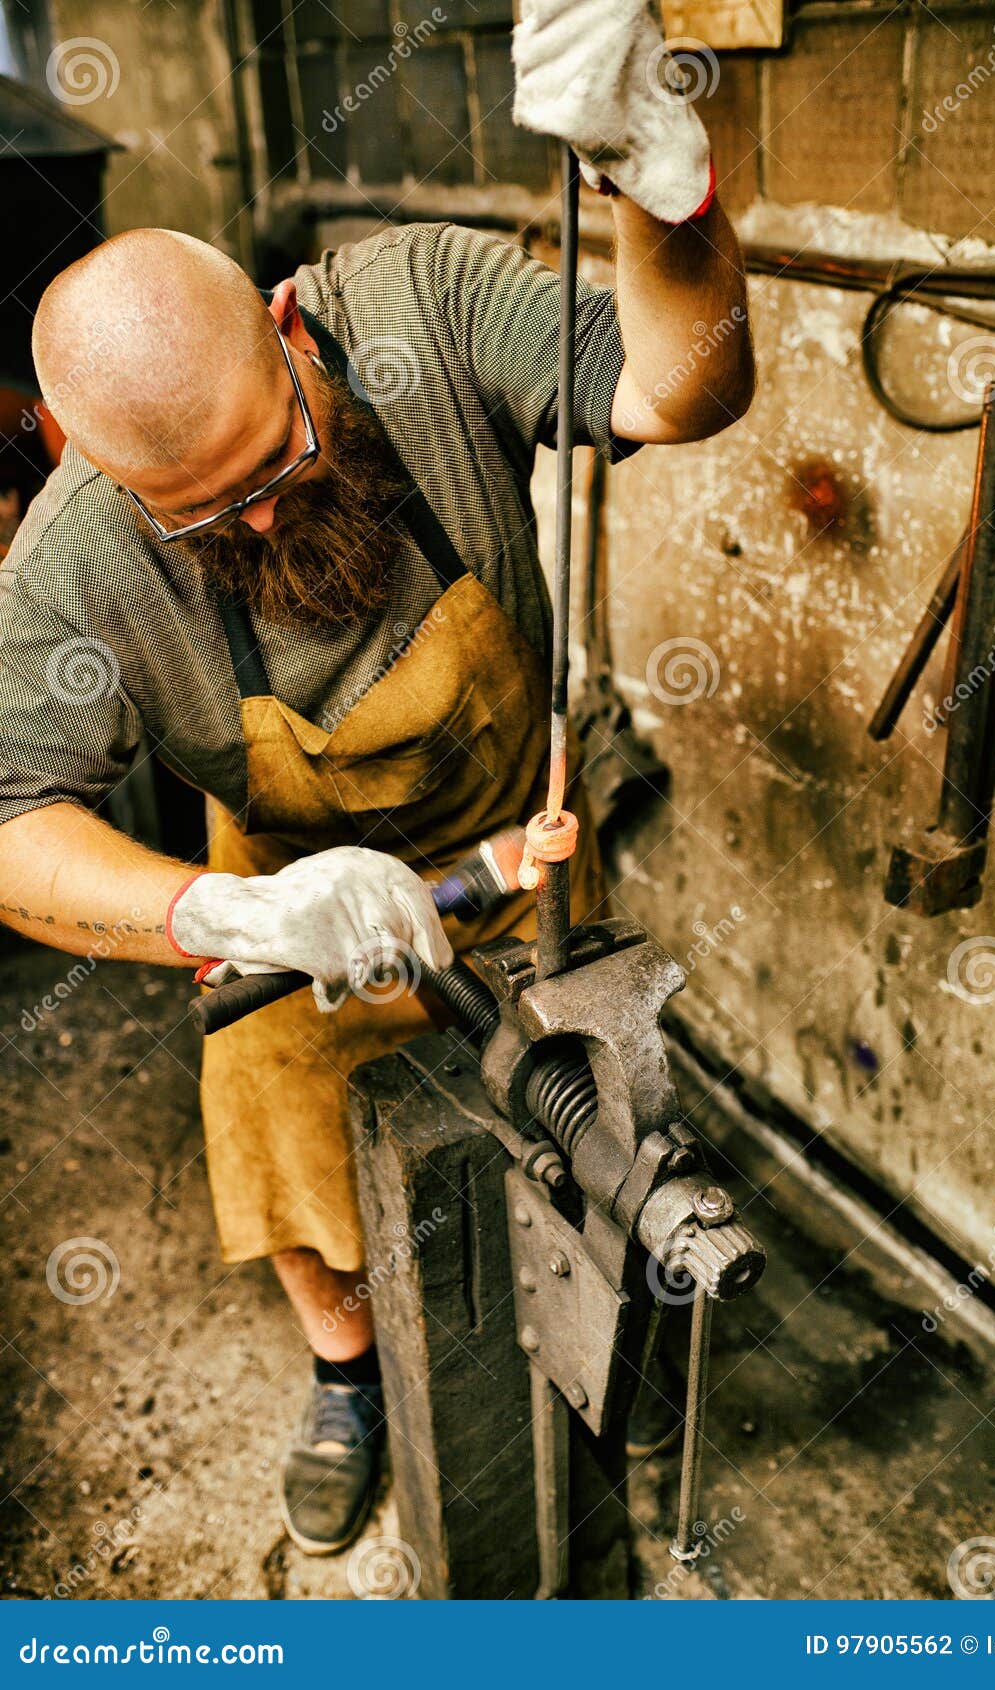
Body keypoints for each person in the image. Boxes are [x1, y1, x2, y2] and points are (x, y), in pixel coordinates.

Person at [0, 7, 753, 1554]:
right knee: (285, 1133)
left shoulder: (420, 303)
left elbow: (683, 391)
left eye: (274, 468)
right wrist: (233, 906)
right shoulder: (76, 551)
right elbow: (9, 828)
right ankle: (348, 1371)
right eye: (201, 516)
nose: (264, 528)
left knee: (580, 1110)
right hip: (291, 883)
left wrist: (667, 197)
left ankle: (606, 1336)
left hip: (511, 834)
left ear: (289, 329)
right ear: (84, 454)